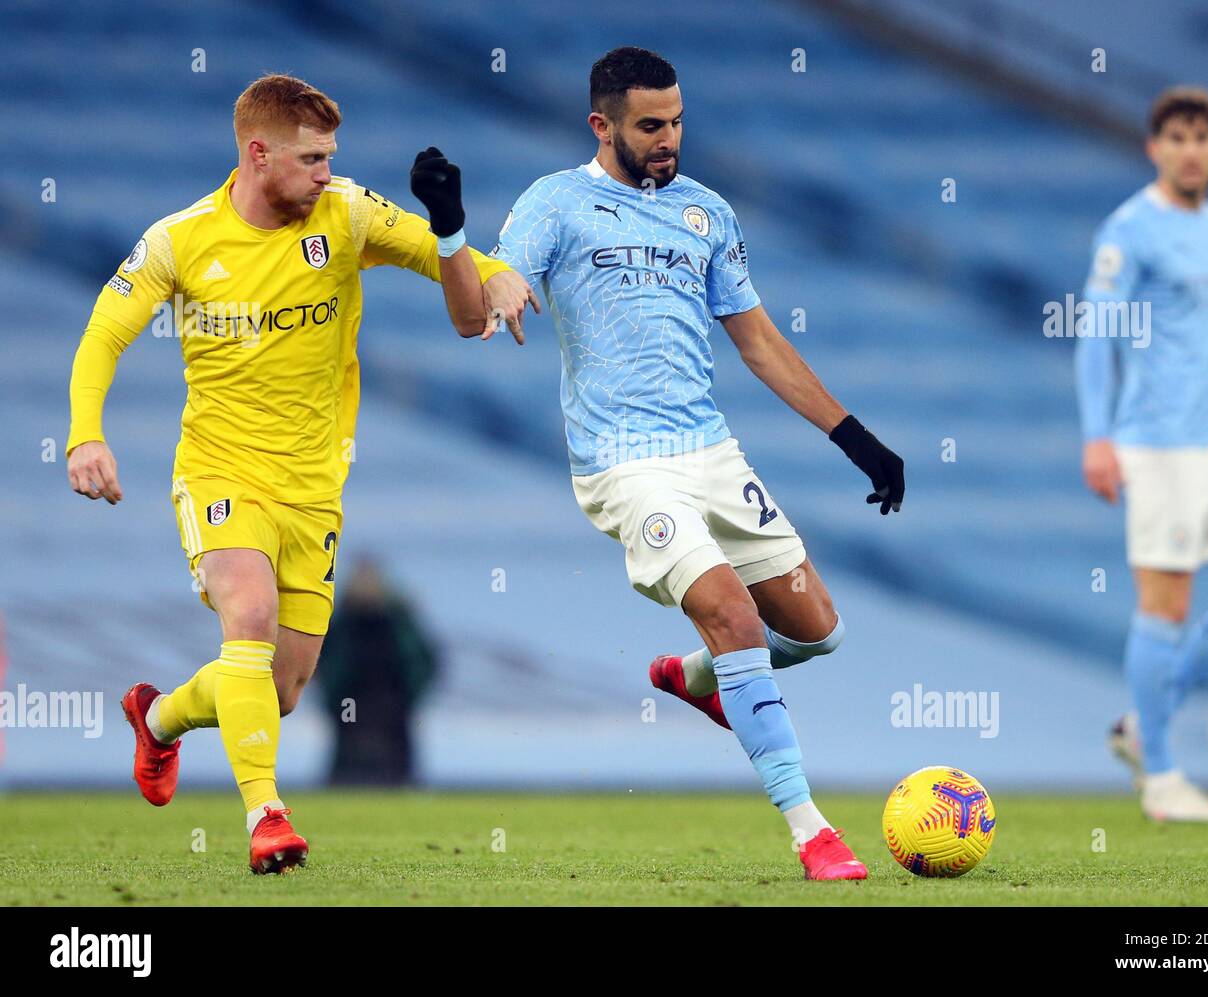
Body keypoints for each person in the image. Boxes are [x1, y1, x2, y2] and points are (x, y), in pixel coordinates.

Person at [65, 73, 533, 872]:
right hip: (221, 474)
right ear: (258, 154)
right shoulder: (180, 240)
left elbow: (448, 272)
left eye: (330, 157)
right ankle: (267, 818)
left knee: (278, 689)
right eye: (312, 158)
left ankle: (160, 719)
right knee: (245, 618)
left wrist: (482, 261)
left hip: (313, 488)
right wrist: (85, 435)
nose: (327, 172)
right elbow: (106, 331)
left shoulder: (346, 214)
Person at [486, 47, 905, 880]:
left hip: (711, 451)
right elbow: (502, 274)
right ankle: (813, 830)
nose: (670, 137)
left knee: (820, 631)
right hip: (623, 463)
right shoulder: (556, 203)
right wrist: (498, 284)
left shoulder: (706, 213)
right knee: (734, 615)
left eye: (677, 120)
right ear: (602, 126)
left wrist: (854, 436)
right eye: (651, 125)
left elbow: (759, 342)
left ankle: (696, 678)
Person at [1076, 86, 1208, 822]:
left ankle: (1146, 719)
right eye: (1177, 136)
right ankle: (1162, 778)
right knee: (1164, 607)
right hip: (1156, 446)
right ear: (1154, 147)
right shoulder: (1130, 230)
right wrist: (1098, 435)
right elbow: (1095, 335)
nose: (1191, 148)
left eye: (1203, 136)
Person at [317, 557, 440, 786]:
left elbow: (424, 662)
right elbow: (321, 664)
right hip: (349, 711)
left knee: (397, 779)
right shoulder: (341, 622)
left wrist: (409, 697)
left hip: (392, 713)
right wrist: (331, 698)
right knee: (347, 779)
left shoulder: (400, 621)